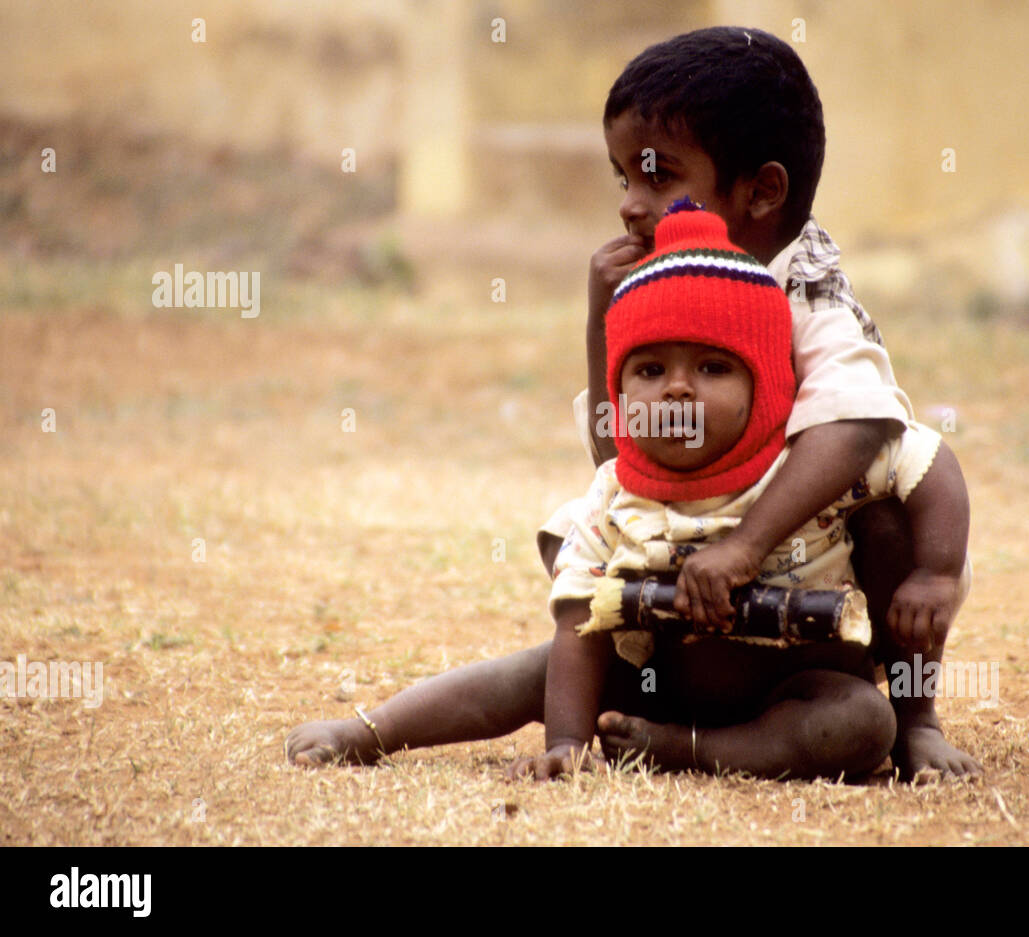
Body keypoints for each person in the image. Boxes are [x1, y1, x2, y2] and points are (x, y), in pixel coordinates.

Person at [286, 25, 979, 780]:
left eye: (658, 176)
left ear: (761, 192)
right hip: (674, 622)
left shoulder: (807, 292)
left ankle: (914, 723)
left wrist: (746, 550)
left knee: (881, 568)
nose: (631, 204)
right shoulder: (661, 288)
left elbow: (859, 430)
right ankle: (371, 731)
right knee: (545, 659)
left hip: (796, 621)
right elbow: (619, 460)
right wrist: (603, 321)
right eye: (624, 180)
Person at [509, 202, 970, 780]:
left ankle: (683, 750)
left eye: (713, 369)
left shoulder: (798, 463)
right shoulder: (621, 492)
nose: (678, 391)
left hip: (800, 681)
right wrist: (567, 742)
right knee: (538, 669)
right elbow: (576, 625)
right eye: (650, 371)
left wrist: (936, 572)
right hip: (669, 673)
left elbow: (927, 457)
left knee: (864, 724)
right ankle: (369, 731)